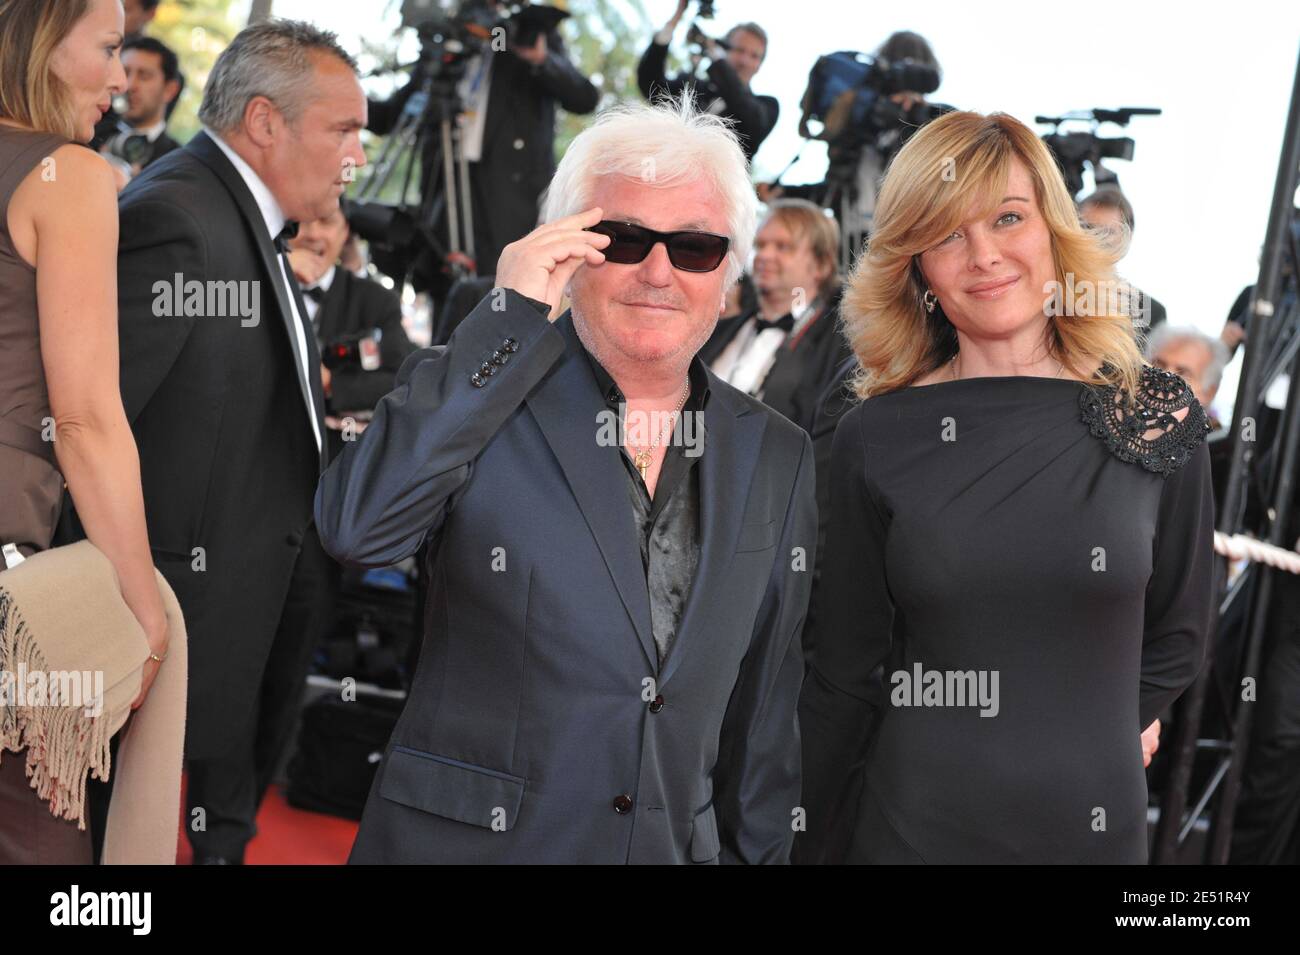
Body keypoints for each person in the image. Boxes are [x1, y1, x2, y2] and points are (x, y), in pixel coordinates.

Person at [316, 97, 816, 864]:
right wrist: (508, 316)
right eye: (622, 238)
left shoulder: (777, 453)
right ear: (565, 249)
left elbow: (764, 718)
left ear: (730, 275)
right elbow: (358, 529)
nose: (658, 271)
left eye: (693, 247)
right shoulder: (481, 397)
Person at [796, 110, 1216, 864]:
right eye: (947, 234)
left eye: (1008, 218)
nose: (983, 255)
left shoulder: (1154, 414)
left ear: (1055, 229)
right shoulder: (875, 433)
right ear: (917, 266)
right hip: (910, 828)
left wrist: (1105, 732)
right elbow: (846, 672)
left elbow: (1182, 631)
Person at [109, 19, 366, 865]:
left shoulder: (235, 218)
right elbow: (91, 423)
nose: (355, 157)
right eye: (343, 130)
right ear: (265, 122)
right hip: (144, 633)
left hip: (225, 610)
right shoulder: (179, 217)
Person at [0, 0, 169, 864]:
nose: (119, 79)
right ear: (36, 36)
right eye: (107, 48)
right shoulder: (65, 175)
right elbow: (87, 418)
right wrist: (143, 608)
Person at [367, 0, 598, 294]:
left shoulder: (524, 31)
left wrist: (540, 59)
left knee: (503, 286)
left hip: (509, 194)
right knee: (446, 285)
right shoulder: (448, 37)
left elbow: (583, 98)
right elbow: (388, 116)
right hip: (444, 192)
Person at [286, 197, 418, 460]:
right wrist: (280, 274)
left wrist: (327, 383)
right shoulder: (257, 289)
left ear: (345, 231)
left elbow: (403, 380)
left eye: (326, 221)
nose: (313, 234)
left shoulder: (376, 300)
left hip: (344, 460)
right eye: (301, 222)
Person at [703, 198, 848, 433]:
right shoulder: (716, 330)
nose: (764, 256)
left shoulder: (840, 346)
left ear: (821, 265)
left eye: (783, 247)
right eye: (760, 245)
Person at [638, 1, 776, 162]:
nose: (745, 61)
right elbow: (651, 85)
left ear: (760, 65)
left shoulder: (767, 106)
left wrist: (714, 54)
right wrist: (676, 18)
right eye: (739, 50)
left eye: (754, 56)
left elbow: (751, 122)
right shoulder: (692, 87)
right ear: (725, 49)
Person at [1078, 187, 1167, 331]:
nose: (1096, 238)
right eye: (1087, 227)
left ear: (1127, 239)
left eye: (1107, 232)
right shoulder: (1048, 293)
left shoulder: (1150, 313)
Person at [97, 35, 182, 182]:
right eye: (125, 72)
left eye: (144, 76)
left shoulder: (176, 162)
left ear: (170, 90)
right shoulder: (89, 133)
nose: (129, 85)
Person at [1145, 325, 1229, 431]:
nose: (1165, 378)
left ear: (1209, 392)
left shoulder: (1219, 445)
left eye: (1182, 373)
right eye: (1158, 365)